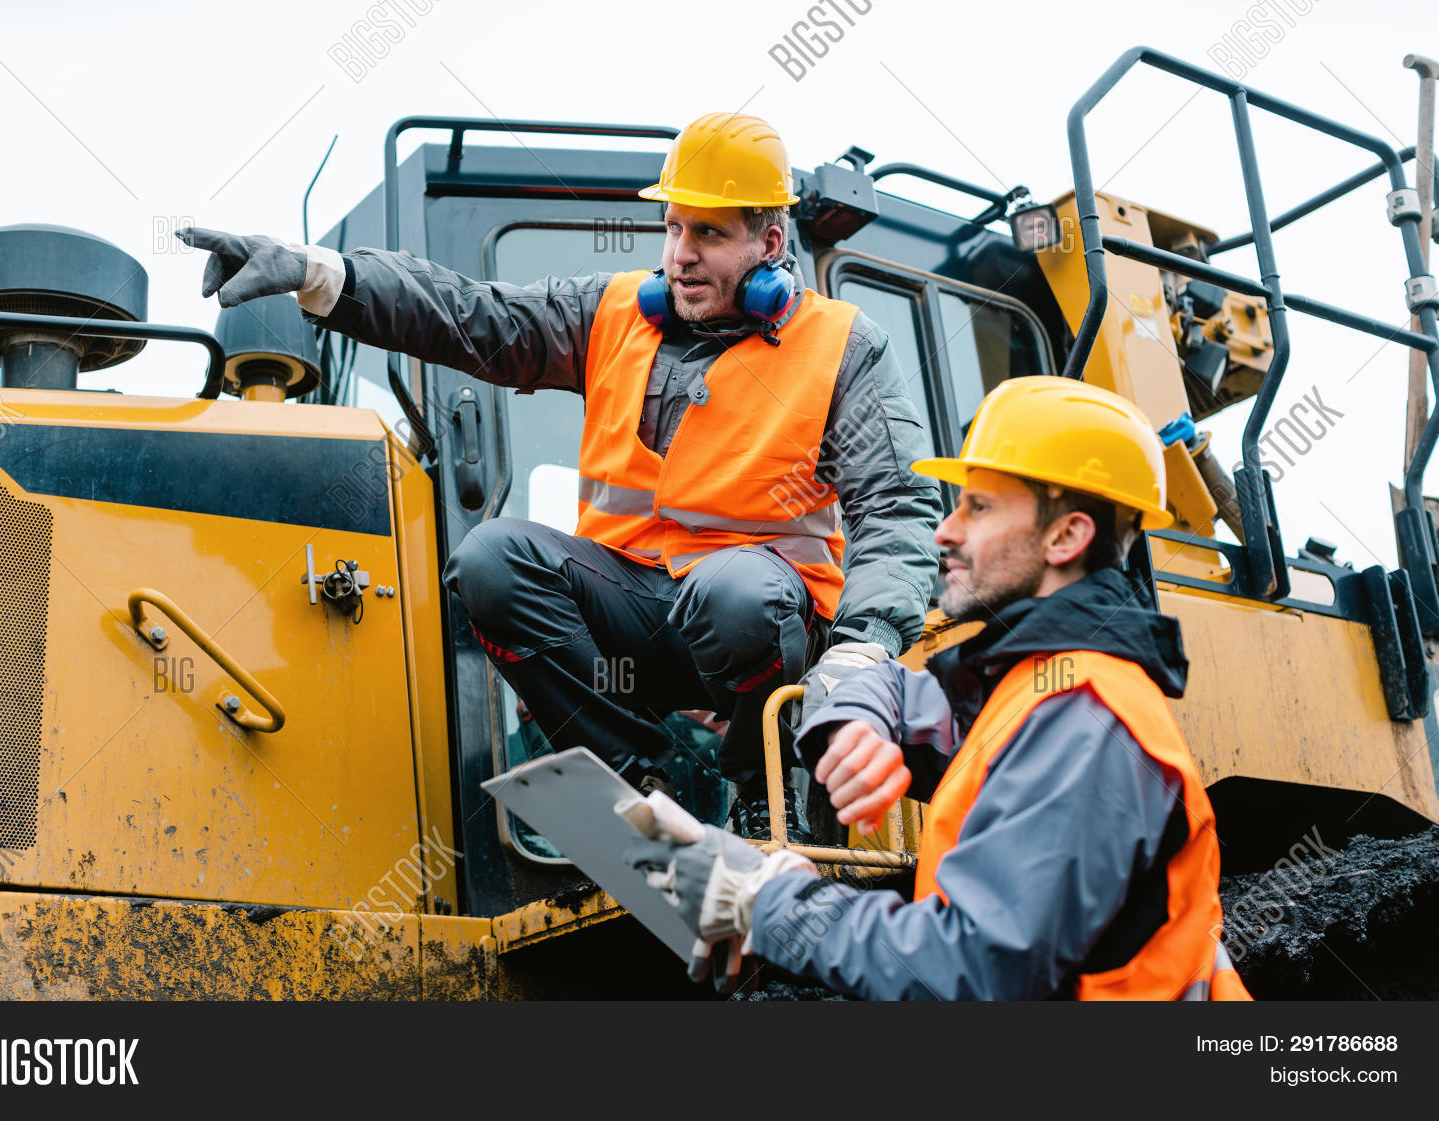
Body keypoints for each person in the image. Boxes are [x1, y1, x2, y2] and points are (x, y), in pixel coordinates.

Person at [177, 113, 941, 838]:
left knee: (735, 592)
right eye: (673, 227)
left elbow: (898, 504)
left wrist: (864, 644)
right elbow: (469, 314)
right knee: (491, 560)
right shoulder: (611, 315)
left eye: (708, 233)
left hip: (765, 628)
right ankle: (642, 789)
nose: (679, 254)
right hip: (639, 621)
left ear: (770, 241)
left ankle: (762, 801)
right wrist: (321, 274)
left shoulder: (841, 345)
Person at [626, 376, 1252, 999]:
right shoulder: (1033, 687)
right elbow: (893, 689)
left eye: (979, 507)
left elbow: (972, 972)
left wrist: (774, 902)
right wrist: (856, 721)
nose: (945, 531)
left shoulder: (1084, 720)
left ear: (1067, 536)